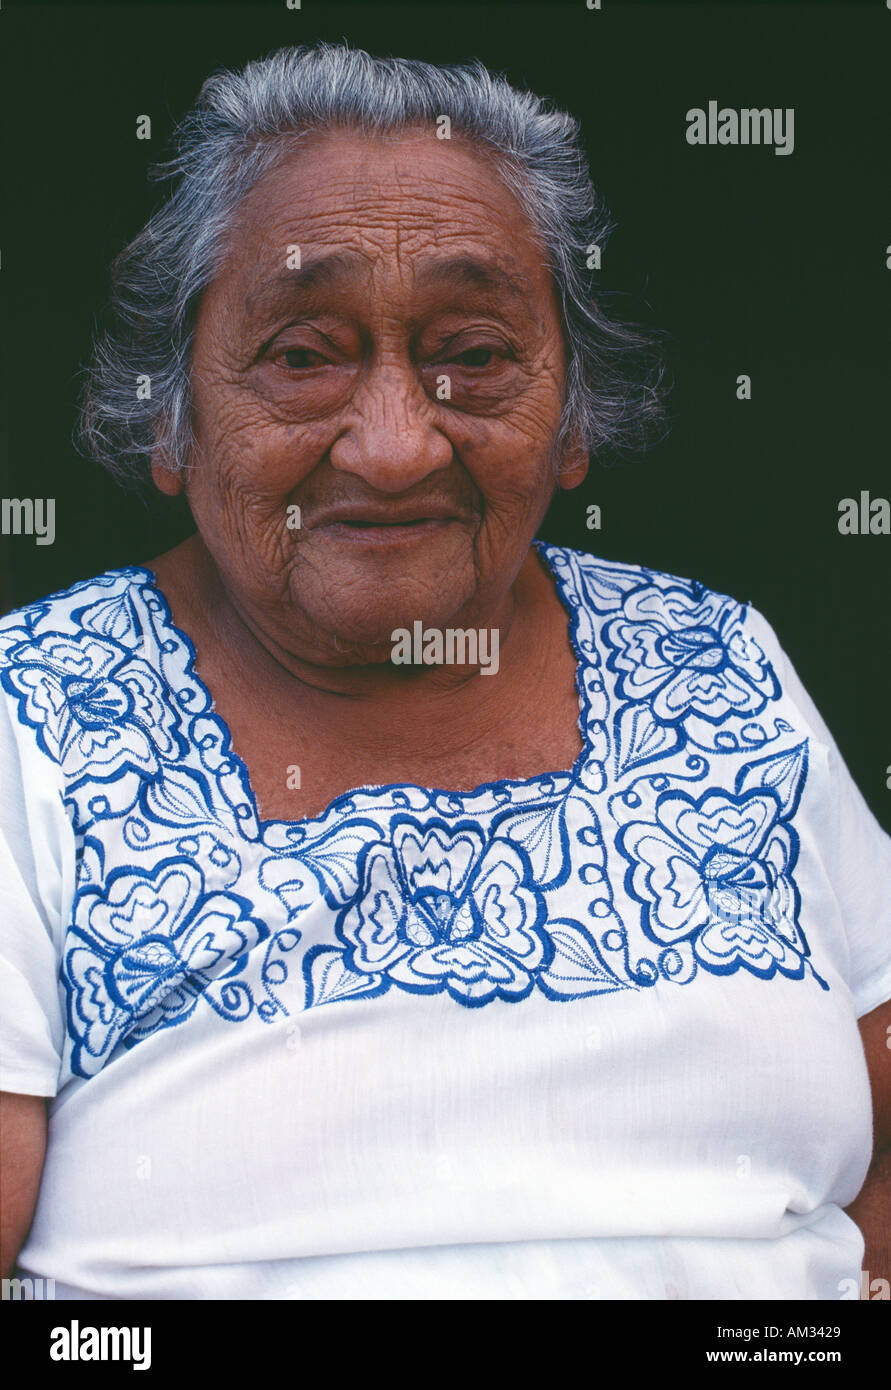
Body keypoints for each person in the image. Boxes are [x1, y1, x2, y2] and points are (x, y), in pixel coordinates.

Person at [1, 43, 888, 1301]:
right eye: (305, 355)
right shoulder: (29, 717)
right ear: (170, 414)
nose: (397, 444)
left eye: (472, 352)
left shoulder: (715, 661)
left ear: (573, 416)